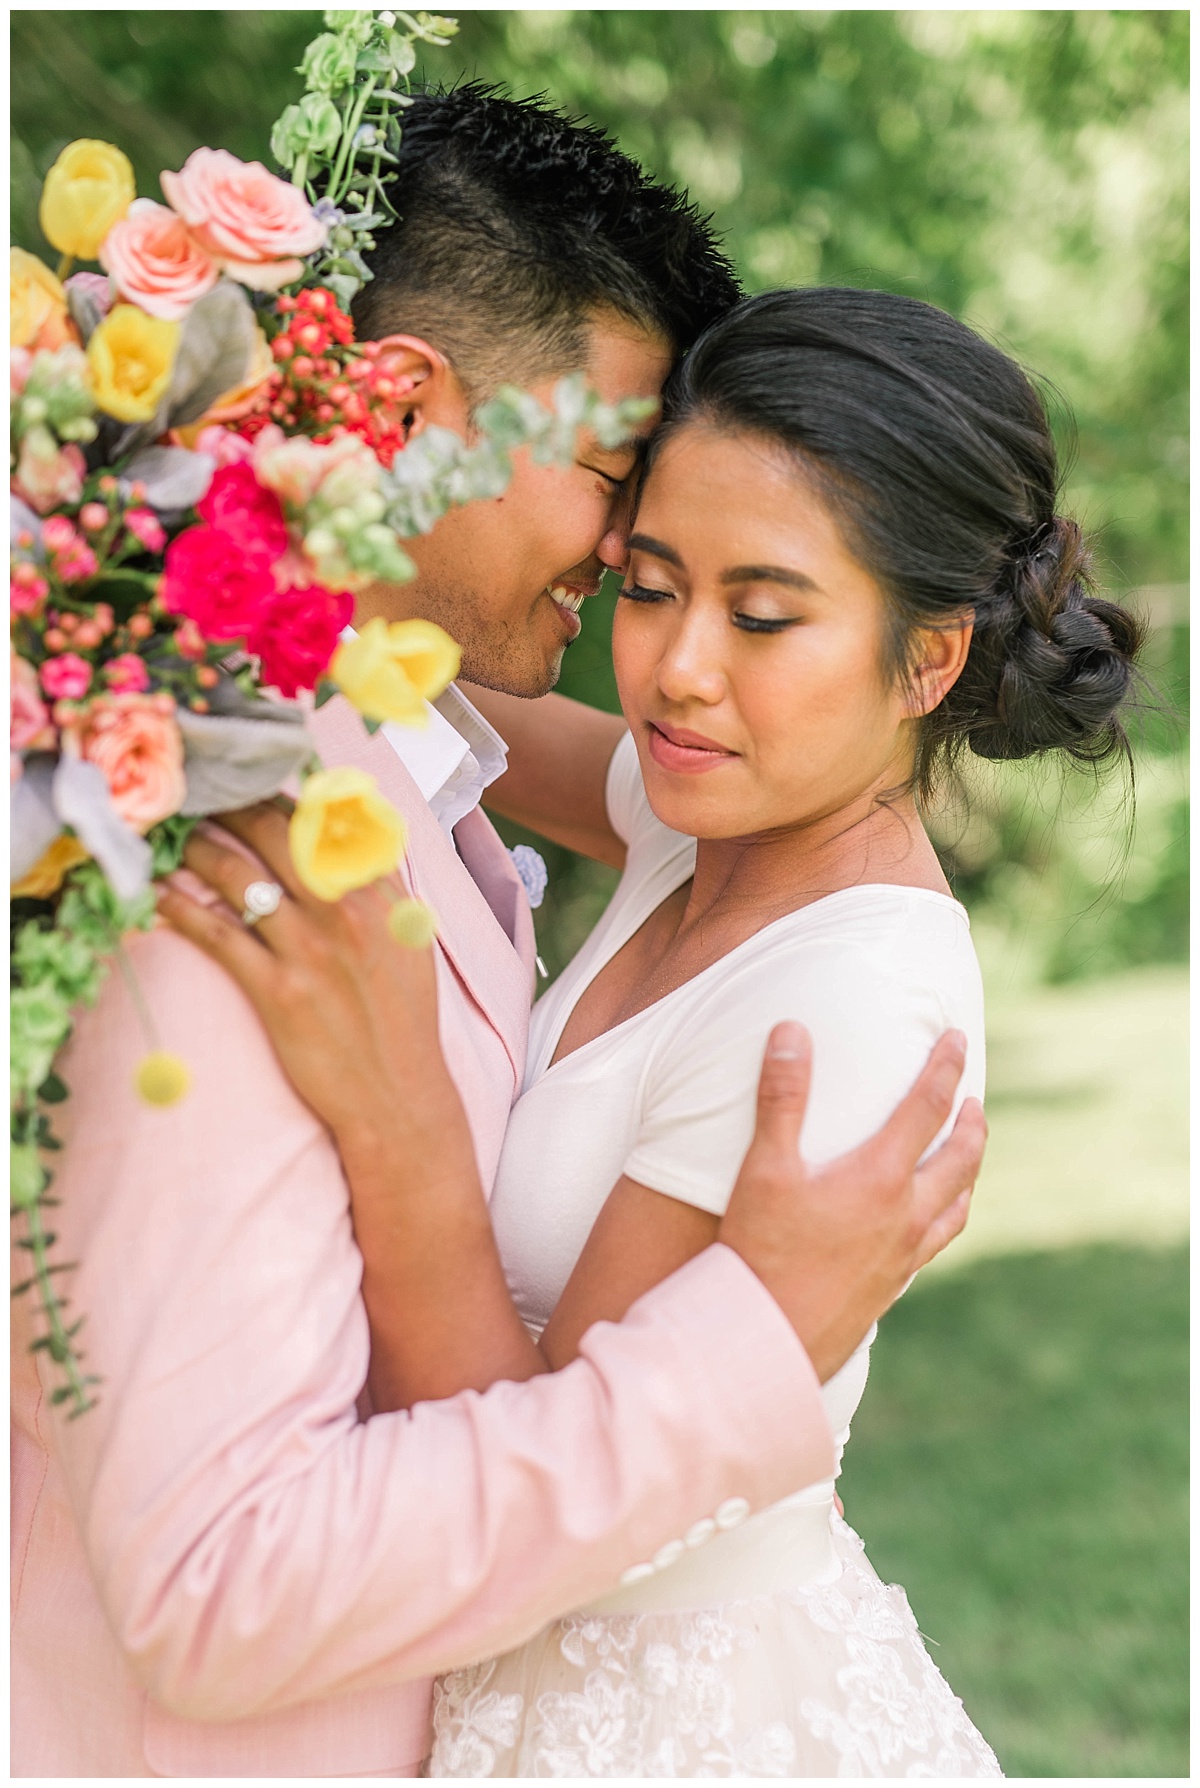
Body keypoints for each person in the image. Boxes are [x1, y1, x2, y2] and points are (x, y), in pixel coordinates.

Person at [11, 96, 985, 1778]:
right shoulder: (228, 850)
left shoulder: (765, 894)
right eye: (622, 496)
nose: (645, 616)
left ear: (931, 654)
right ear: (395, 406)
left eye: (759, 611)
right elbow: (225, 1583)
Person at [165, 286, 1143, 1777]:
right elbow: (417, 682)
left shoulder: (850, 1003)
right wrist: (184, 535)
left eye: (762, 615)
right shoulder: (711, 814)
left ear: (929, 662)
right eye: (650, 586)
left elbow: (555, 1479)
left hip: (669, 1721)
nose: (679, 666)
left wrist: (398, 1115)